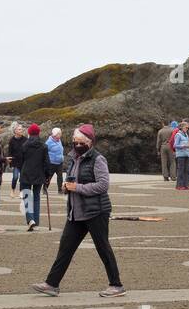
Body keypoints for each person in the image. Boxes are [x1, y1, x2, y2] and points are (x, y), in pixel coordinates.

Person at [30, 123, 124, 298]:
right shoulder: (73, 158)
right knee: (65, 248)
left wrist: (77, 187)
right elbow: (72, 181)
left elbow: (103, 185)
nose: (77, 144)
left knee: (103, 248)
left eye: (81, 141)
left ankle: (116, 285)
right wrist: (67, 187)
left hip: (96, 211)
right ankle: (52, 284)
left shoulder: (98, 159)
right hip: (76, 212)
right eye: (75, 141)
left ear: (90, 142)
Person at [18, 123, 48, 231]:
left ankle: (30, 220)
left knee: (27, 197)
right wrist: (47, 176)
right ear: (38, 133)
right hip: (39, 174)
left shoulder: (24, 145)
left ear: (29, 133)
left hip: (26, 173)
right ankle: (36, 222)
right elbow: (46, 163)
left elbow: (21, 161)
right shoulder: (44, 146)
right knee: (36, 198)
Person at [6, 122, 26, 196]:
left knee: (22, 178)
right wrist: (10, 163)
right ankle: (12, 190)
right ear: (15, 131)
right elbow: (10, 152)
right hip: (15, 162)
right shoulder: (11, 140)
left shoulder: (25, 139)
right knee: (15, 177)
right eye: (19, 129)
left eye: (21, 129)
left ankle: (21, 192)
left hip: (23, 162)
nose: (21, 130)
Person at [173, 119, 189, 190]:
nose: (187, 129)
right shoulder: (178, 135)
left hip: (187, 154)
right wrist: (183, 146)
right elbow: (175, 145)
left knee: (187, 170)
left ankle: (187, 184)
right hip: (180, 155)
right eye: (186, 127)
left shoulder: (186, 135)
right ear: (181, 127)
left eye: (188, 128)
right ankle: (179, 185)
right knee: (181, 170)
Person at [46, 127, 66, 192]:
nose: (60, 135)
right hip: (52, 163)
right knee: (49, 176)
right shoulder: (48, 142)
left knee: (60, 177)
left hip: (59, 162)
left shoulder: (59, 140)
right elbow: (44, 152)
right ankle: (45, 188)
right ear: (55, 134)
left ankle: (60, 190)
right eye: (59, 134)